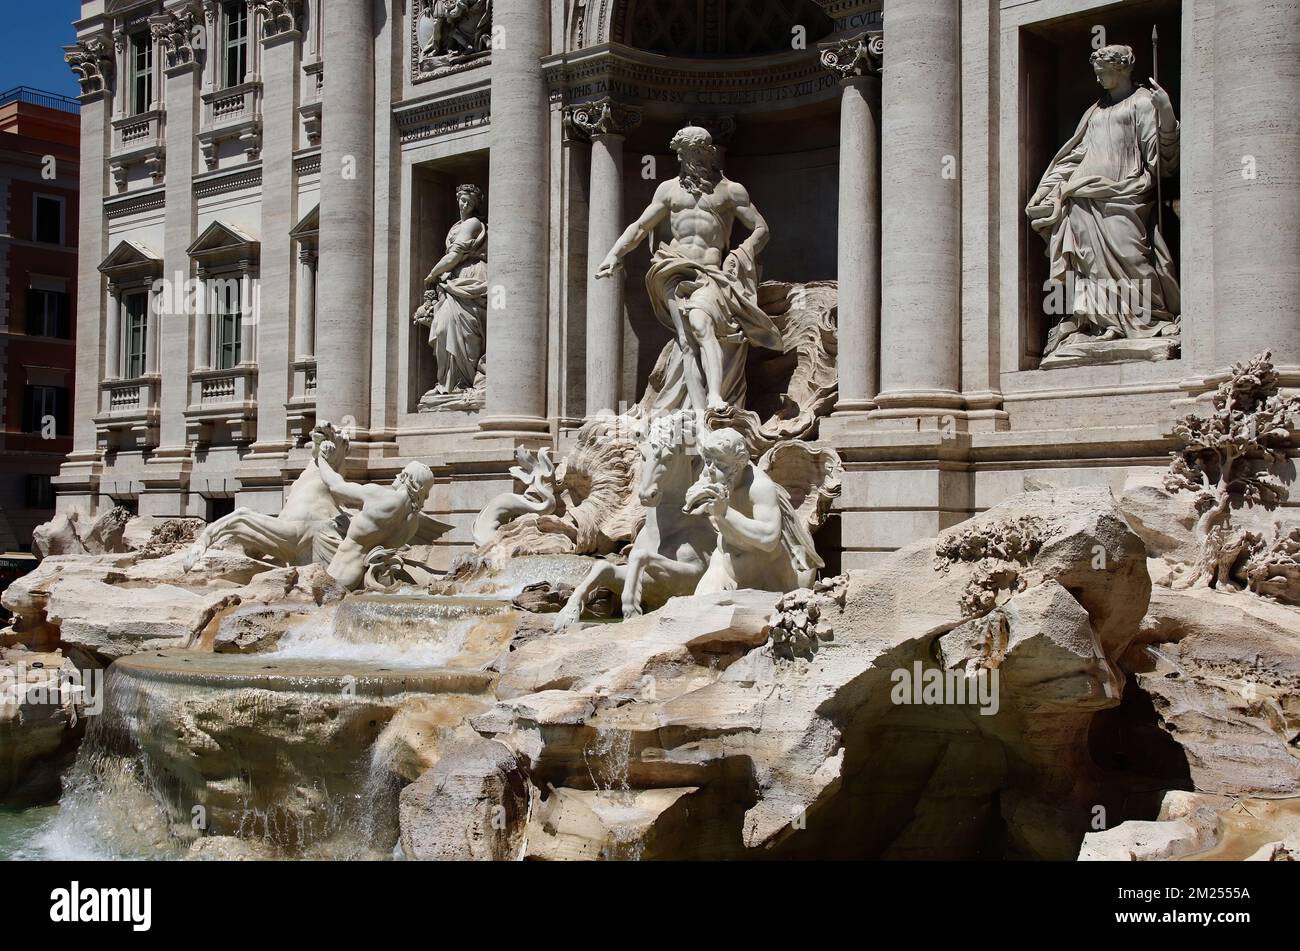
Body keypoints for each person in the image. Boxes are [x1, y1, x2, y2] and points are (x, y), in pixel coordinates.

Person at [596, 126, 782, 414]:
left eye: (693, 153)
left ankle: (715, 396)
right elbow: (641, 226)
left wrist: (739, 253)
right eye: (682, 153)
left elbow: (761, 229)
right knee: (686, 342)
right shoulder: (668, 190)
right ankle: (697, 412)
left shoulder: (730, 191)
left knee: (701, 325)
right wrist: (614, 254)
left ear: (708, 153)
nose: (686, 159)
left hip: (709, 273)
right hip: (673, 269)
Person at [1026, 44, 1181, 357]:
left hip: (1126, 192)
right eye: (1096, 73)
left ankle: (1149, 318)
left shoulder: (1142, 101)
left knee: (1131, 255)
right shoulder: (1095, 110)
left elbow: (1163, 156)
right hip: (1082, 196)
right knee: (1091, 264)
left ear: (1121, 69)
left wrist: (1165, 111)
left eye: (1103, 73)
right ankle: (1104, 325)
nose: (1097, 79)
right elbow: (1076, 154)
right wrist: (1050, 186)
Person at [315, 444, 435, 591]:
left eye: (401, 473)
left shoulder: (381, 496)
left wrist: (322, 459)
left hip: (339, 573)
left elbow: (336, 486)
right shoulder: (412, 524)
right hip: (364, 579)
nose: (396, 476)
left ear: (405, 477)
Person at [415, 183, 488, 394]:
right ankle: (448, 382)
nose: (464, 204)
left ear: (475, 205)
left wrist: (433, 274)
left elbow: (455, 255)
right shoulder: (457, 225)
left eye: (469, 202)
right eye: (462, 200)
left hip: (470, 276)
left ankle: (464, 381)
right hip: (453, 280)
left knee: (466, 328)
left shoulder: (473, 223)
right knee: (443, 328)